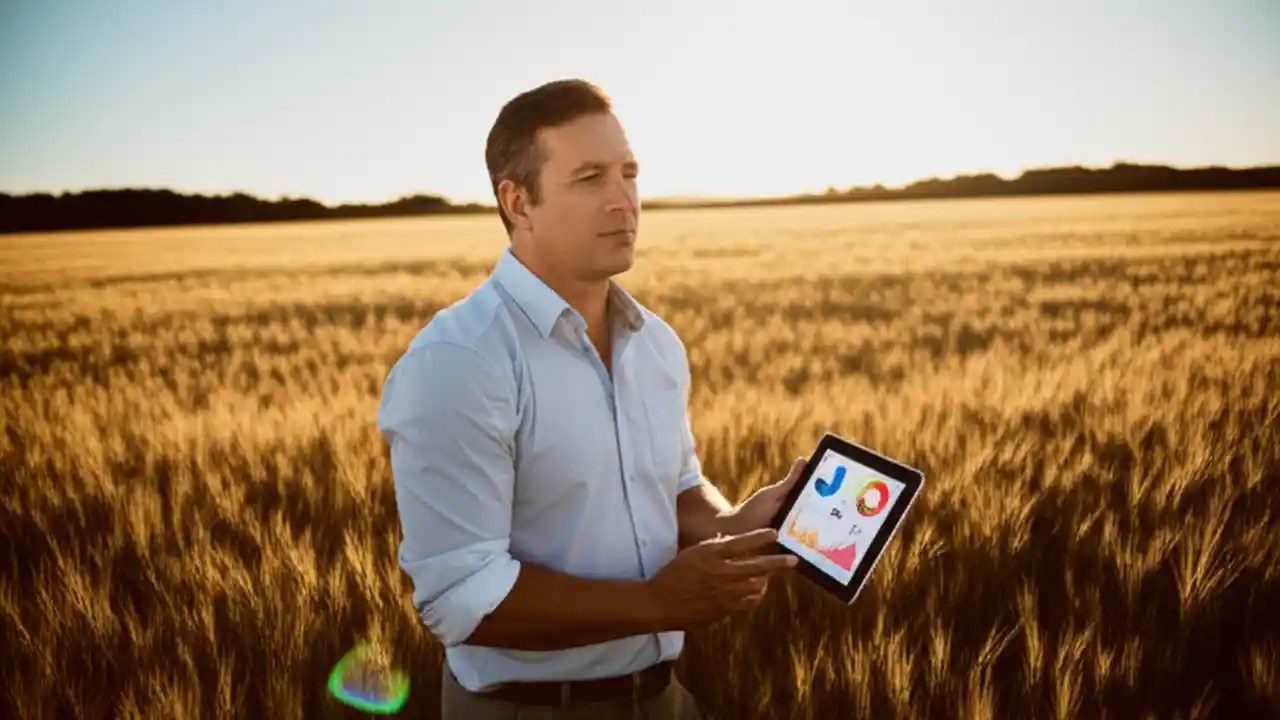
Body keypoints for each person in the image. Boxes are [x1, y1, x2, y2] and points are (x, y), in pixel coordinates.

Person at [377, 78, 808, 720]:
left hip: (666, 699)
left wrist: (731, 526)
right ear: (518, 202)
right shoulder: (460, 362)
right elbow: (462, 597)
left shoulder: (655, 343)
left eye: (629, 174)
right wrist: (662, 603)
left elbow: (676, 484)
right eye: (590, 179)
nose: (624, 202)